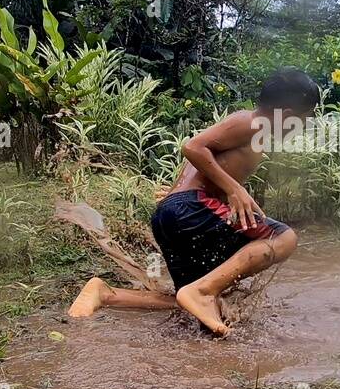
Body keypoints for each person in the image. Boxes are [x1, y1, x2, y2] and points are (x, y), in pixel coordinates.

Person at [68, 68, 320, 336]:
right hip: (190, 207)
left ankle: (106, 294)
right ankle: (203, 291)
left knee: (188, 299)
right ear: (290, 117)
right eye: (306, 120)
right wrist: (233, 189)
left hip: (176, 212)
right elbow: (193, 147)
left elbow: (203, 165)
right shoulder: (251, 122)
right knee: (284, 237)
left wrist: (181, 196)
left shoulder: (252, 134)